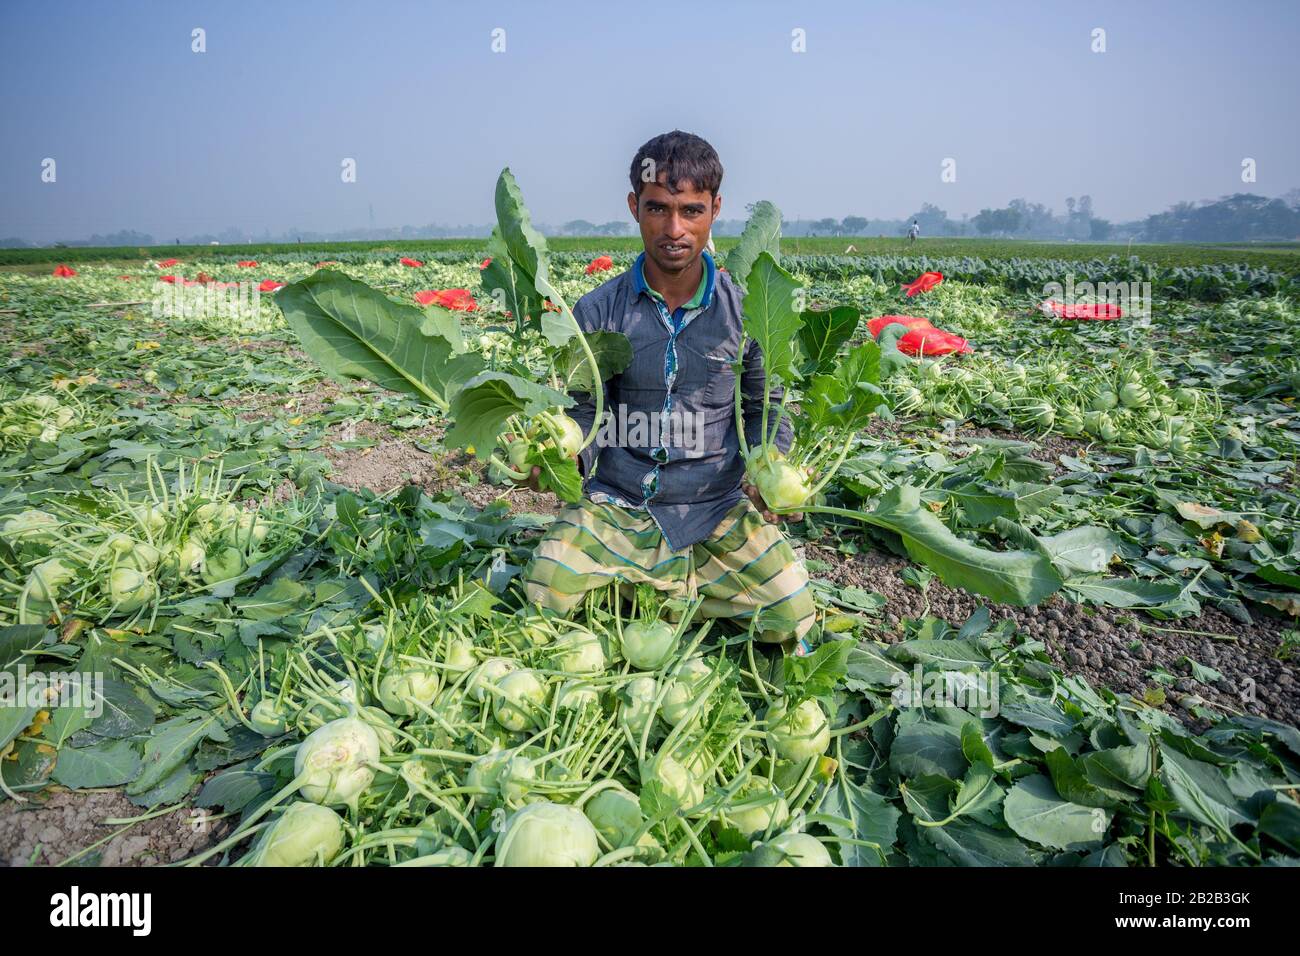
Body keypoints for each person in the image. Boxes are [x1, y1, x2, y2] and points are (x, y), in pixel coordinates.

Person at [520, 130, 815, 651]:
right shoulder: (597, 310)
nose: (674, 229)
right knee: (546, 587)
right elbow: (586, 411)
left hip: (715, 507)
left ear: (714, 209)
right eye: (657, 208)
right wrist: (567, 457)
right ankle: (679, 592)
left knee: (790, 613)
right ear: (634, 206)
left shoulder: (749, 313)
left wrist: (769, 462)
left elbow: (764, 408)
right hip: (618, 503)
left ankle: (645, 590)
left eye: (691, 211)